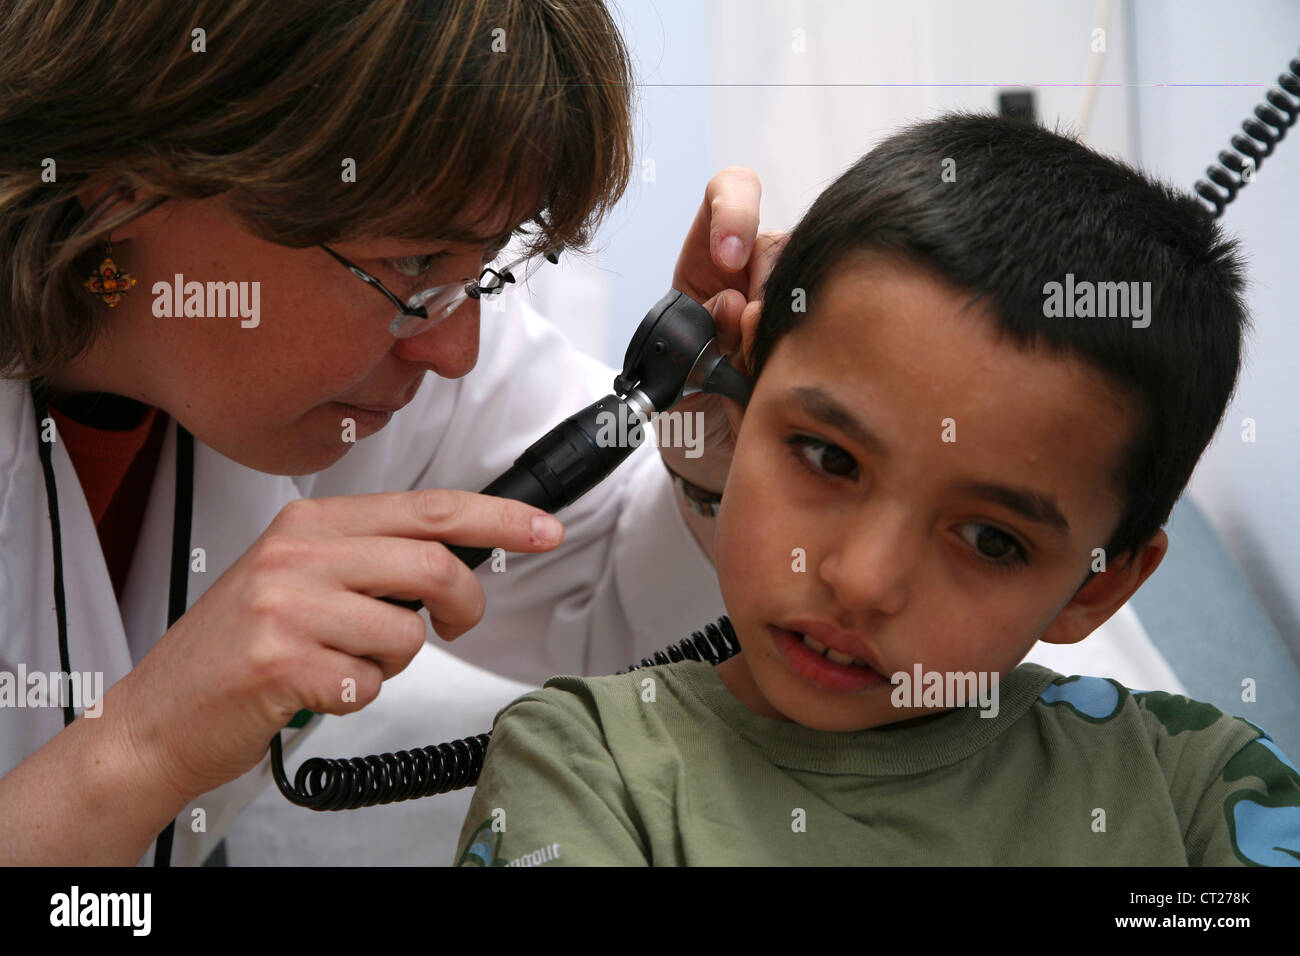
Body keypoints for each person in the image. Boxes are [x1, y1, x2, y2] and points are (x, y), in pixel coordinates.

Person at [0, 0, 784, 866]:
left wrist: (722, 456)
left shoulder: (385, 351)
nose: (455, 351)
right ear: (130, 177)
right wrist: (147, 746)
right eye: (413, 262)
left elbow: (609, 595)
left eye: (481, 269)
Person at [453, 112, 1300, 866]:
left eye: (990, 540)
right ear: (734, 398)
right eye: (828, 459)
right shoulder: (582, 767)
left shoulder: (1205, 789)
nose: (861, 582)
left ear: (1100, 582)